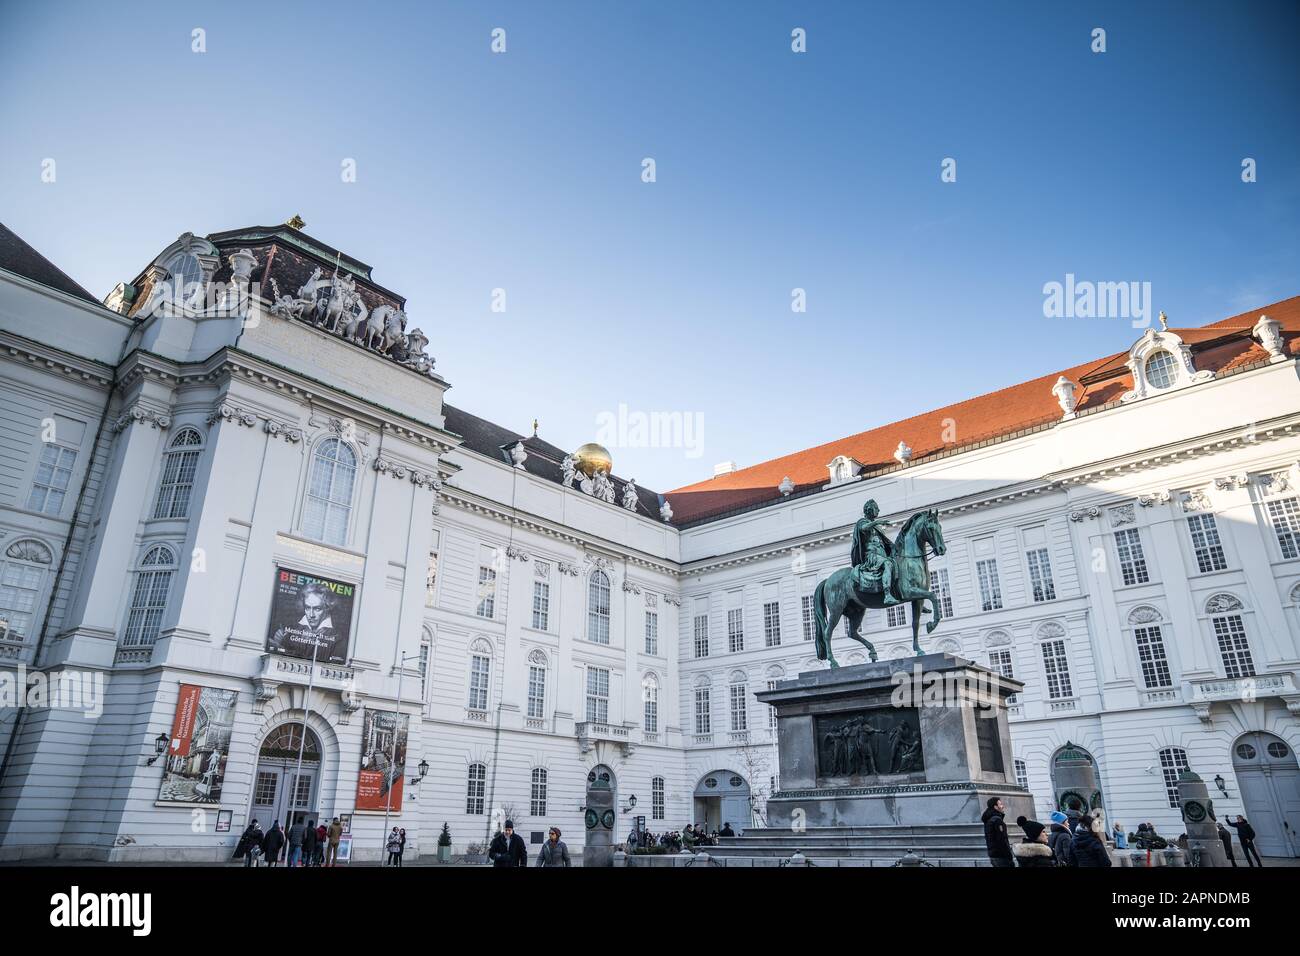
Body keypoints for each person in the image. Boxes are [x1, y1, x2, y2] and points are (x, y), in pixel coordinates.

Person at [850, 499, 900, 605]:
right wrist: (876, 522)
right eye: (876, 508)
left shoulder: (876, 527)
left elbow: (885, 542)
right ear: (869, 509)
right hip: (871, 556)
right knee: (887, 564)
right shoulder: (862, 522)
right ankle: (887, 595)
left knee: (899, 565)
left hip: (882, 555)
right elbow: (864, 528)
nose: (878, 510)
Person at [981, 797, 1014, 867]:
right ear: (995, 807)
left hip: (993, 855)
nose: (1003, 806)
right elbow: (1002, 839)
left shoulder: (989, 819)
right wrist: (1009, 855)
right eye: (1001, 804)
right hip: (1001, 856)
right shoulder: (997, 820)